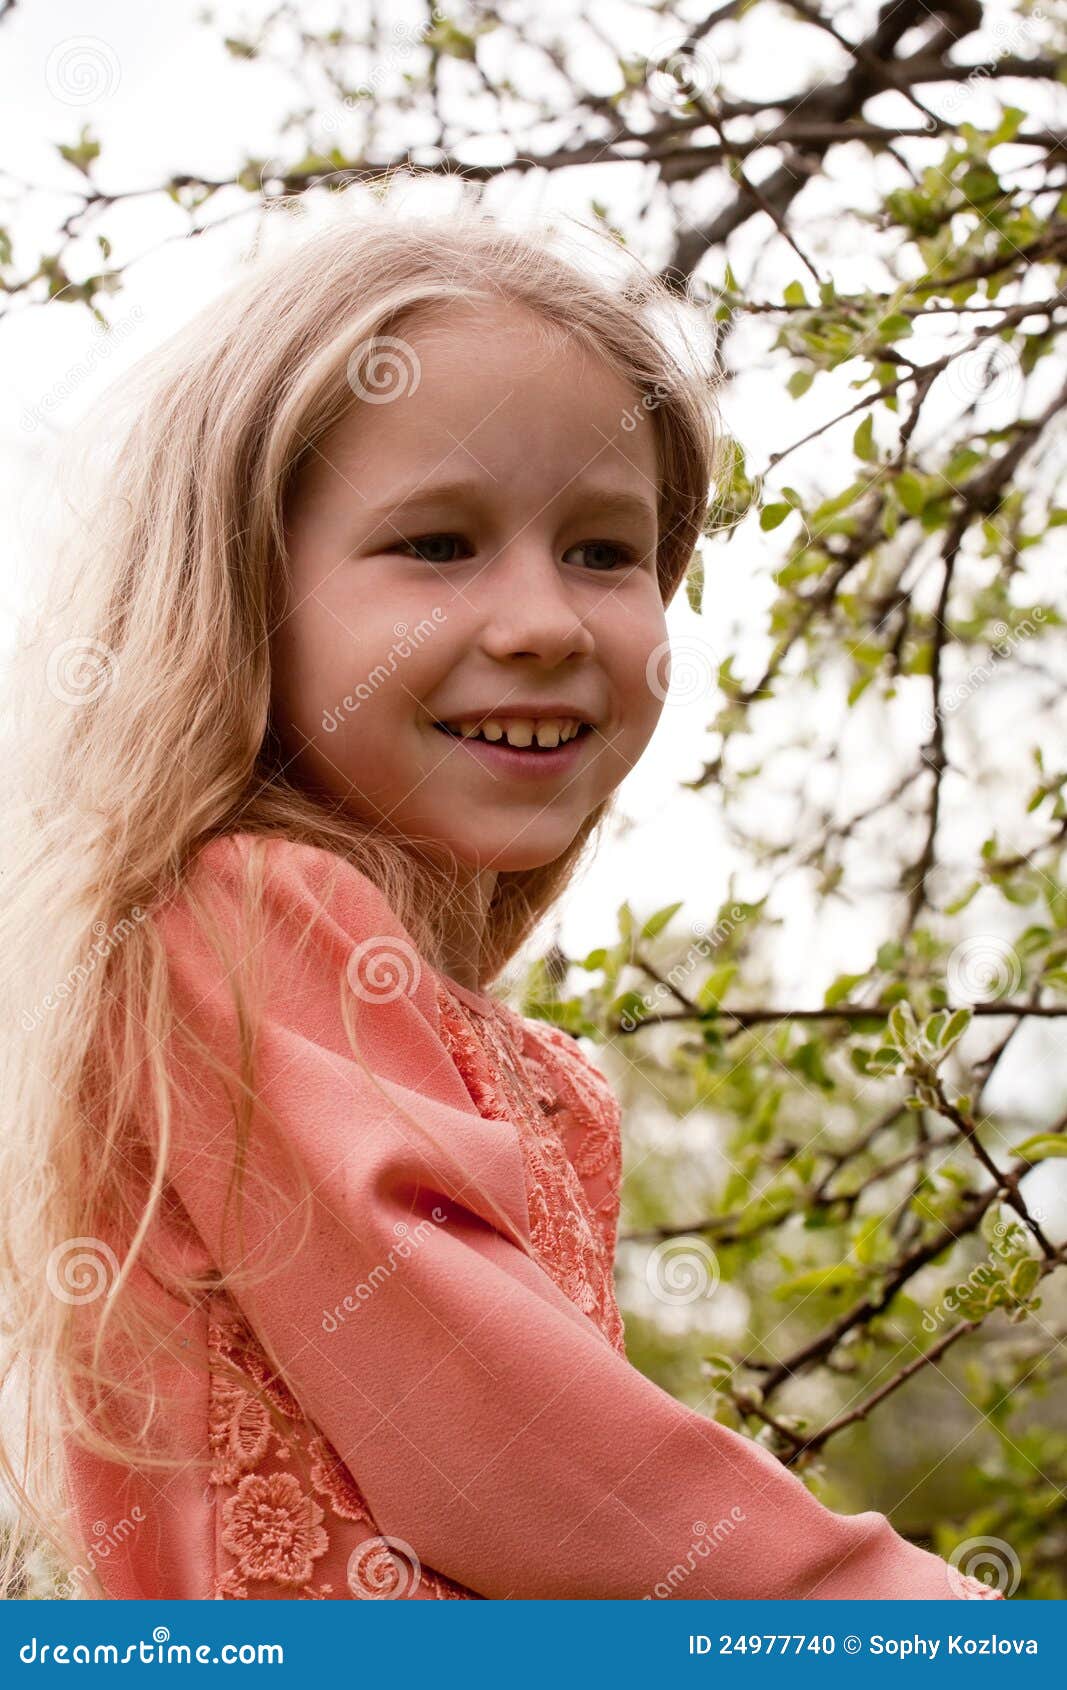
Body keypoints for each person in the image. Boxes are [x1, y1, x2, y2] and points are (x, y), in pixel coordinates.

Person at [0, 198, 1002, 1602]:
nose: (542, 618)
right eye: (437, 543)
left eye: (606, 551)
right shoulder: (247, 915)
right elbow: (500, 1438)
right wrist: (872, 1603)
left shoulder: (380, 981)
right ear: (244, 590)